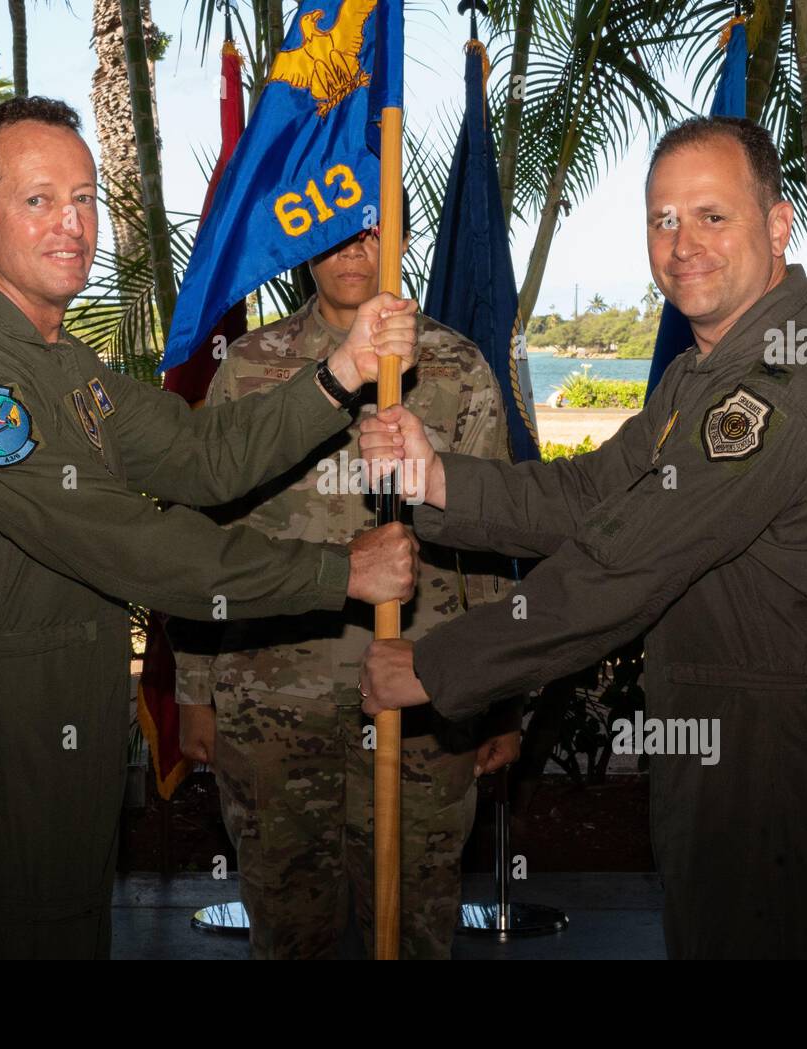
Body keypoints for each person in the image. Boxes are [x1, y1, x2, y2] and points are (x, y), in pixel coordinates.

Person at [0, 96, 421, 960]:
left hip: (64, 731)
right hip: (1, 743)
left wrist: (340, 371)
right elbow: (128, 541)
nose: (74, 224)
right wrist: (336, 573)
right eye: (39, 200)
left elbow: (203, 453)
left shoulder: (56, 360)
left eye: (85, 198)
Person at [358, 116, 807, 960]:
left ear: (779, 225)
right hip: (723, 750)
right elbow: (591, 495)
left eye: (712, 216)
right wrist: (440, 481)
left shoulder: (775, 391)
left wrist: (438, 665)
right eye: (662, 219)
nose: (682, 243)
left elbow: (626, 562)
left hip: (775, 773)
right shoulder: (702, 374)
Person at [172, 202, 523, 960]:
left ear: (399, 238)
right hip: (271, 704)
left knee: (416, 924)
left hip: (423, 705)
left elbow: (490, 547)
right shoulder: (251, 367)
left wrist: (498, 696)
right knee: (290, 928)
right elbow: (208, 535)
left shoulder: (456, 368)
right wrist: (194, 687)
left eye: (371, 229)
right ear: (302, 245)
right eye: (331, 232)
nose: (352, 251)